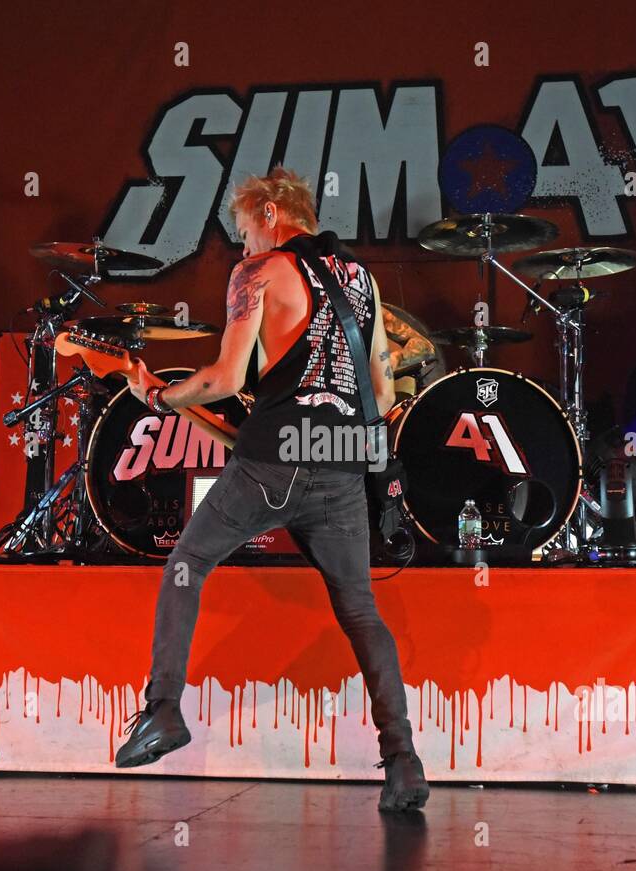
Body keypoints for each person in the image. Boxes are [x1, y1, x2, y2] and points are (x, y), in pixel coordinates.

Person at [116, 166, 428, 811]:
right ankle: (403, 761)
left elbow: (227, 379)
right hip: (343, 463)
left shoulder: (256, 275)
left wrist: (157, 394)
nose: (241, 245)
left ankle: (163, 710)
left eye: (242, 230)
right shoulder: (361, 279)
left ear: (269, 213)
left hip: (273, 464)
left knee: (187, 564)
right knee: (361, 612)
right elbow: (383, 387)